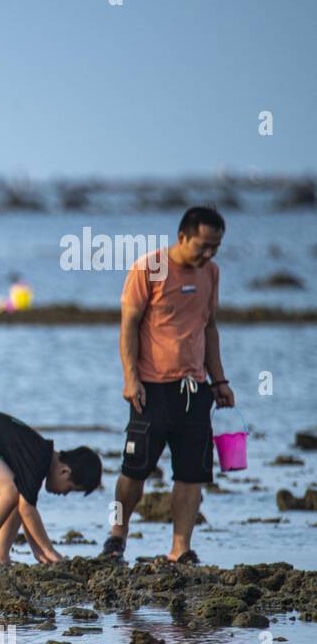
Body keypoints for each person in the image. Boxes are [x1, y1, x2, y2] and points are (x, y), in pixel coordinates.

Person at [100, 206, 233, 565]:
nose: (208, 254)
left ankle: (180, 548)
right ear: (183, 237)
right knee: (133, 470)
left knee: (192, 472)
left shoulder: (211, 273)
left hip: (195, 389)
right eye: (203, 246)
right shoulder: (150, 268)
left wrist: (219, 380)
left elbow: (209, 327)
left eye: (216, 247)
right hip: (151, 388)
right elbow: (129, 324)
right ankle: (116, 535)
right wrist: (130, 378)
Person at [0, 409, 102, 566]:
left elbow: (24, 508)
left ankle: (0, 556)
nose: (65, 494)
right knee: (10, 489)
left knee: (17, 494)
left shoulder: (40, 455)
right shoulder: (37, 459)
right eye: (70, 488)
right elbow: (27, 511)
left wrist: (38, 550)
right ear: (65, 471)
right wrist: (47, 549)